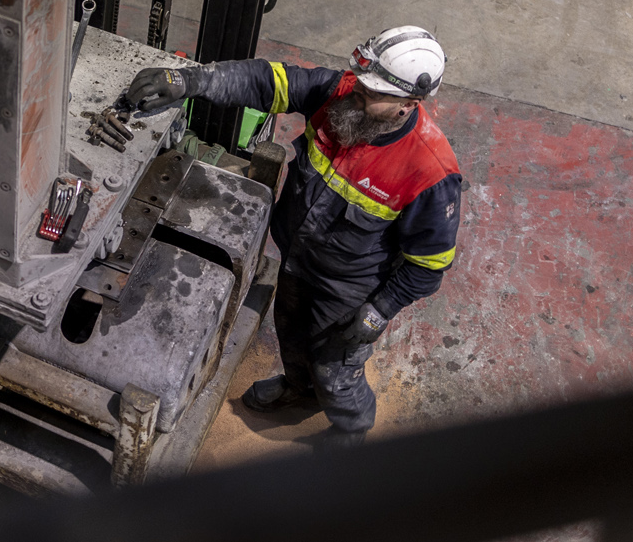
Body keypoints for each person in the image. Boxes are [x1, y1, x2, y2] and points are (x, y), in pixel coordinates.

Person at [125, 26, 462, 449]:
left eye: (370, 93)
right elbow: (266, 80)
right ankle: (300, 391)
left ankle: (351, 430)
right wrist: (190, 80)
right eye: (359, 82)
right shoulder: (339, 93)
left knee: (335, 370)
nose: (355, 93)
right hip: (297, 257)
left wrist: (380, 310)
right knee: (291, 333)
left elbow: (429, 266)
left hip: (349, 289)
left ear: (408, 104)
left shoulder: (430, 172)